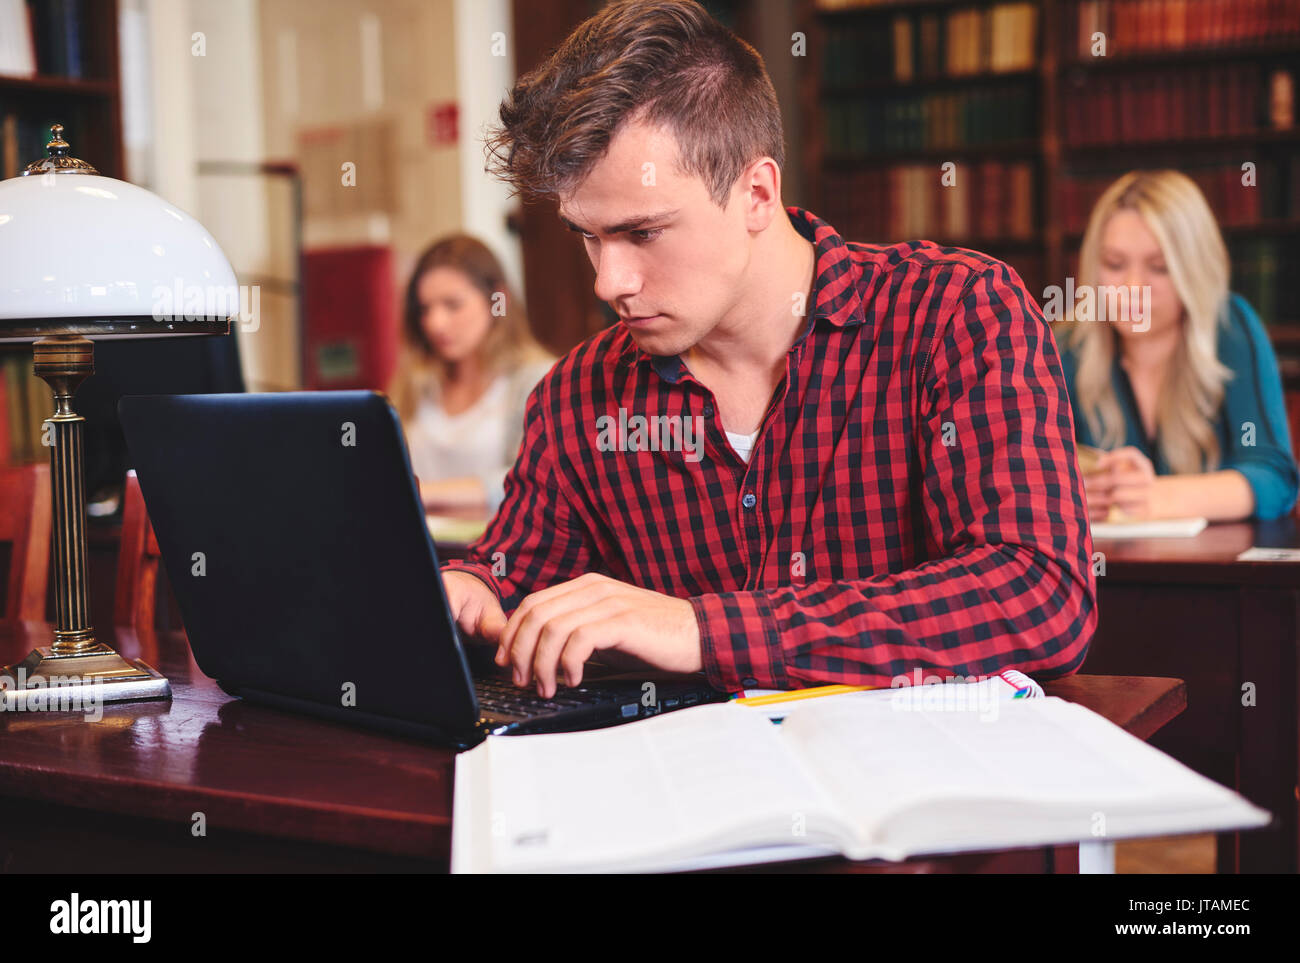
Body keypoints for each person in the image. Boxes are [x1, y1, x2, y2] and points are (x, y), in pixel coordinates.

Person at [440, 0, 1096, 698]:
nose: (610, 282)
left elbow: (1040, 594)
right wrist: (467, 590)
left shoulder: (957, 314)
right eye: (588, 236)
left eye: (643, 233)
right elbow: (507, 573)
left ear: (757, 193)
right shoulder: (578, 397)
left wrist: (700, 629)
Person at [1055, 170, 1299, 522]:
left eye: (1159, 267)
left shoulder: (1229, 327)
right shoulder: (1065, 345)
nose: (1132, 287)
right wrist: (1067, 494)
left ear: (1194, 270)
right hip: (1102, 572)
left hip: (1211, 572)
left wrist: (1155, 498)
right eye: (1114, 264)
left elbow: (1274, 479)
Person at [388, 234, 554, 513]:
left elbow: (538, 481)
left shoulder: (538, 380)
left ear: (498, 299)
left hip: (497, 552)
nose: (435, 323)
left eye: (453, 305)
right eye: (425, 309)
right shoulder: (415, 382)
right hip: (420, 550)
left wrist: (422, 493)